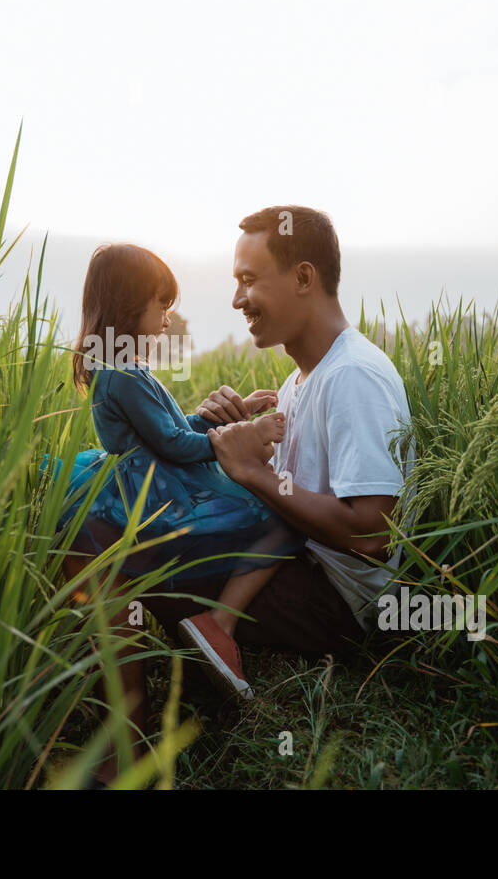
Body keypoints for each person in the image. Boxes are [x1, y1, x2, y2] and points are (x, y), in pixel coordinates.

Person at [57, 206, 416, 787]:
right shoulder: (303, 381)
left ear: (304, 278)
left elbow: (372, 534)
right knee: (101, 531)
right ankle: (132, 721)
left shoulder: (353, 376)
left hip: (329, 599)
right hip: (296, 560)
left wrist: (250, 472)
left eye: (249, 280)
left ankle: (125, 742)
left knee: (103, 543)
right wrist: (221, 431)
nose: (236, 299)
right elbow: (282, 489)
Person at [57, 243, 306, 700]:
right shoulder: (124, 376)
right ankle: (218, 624)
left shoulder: (128, 370)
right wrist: (243, 435)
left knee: (273, 520)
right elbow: (173, 445)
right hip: (157, 491)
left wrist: (229, 419)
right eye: (161, 305)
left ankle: (214, 626)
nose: (168, 318)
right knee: (278, 522)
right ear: (129, 306)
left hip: (158, 475)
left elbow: (172, 430)